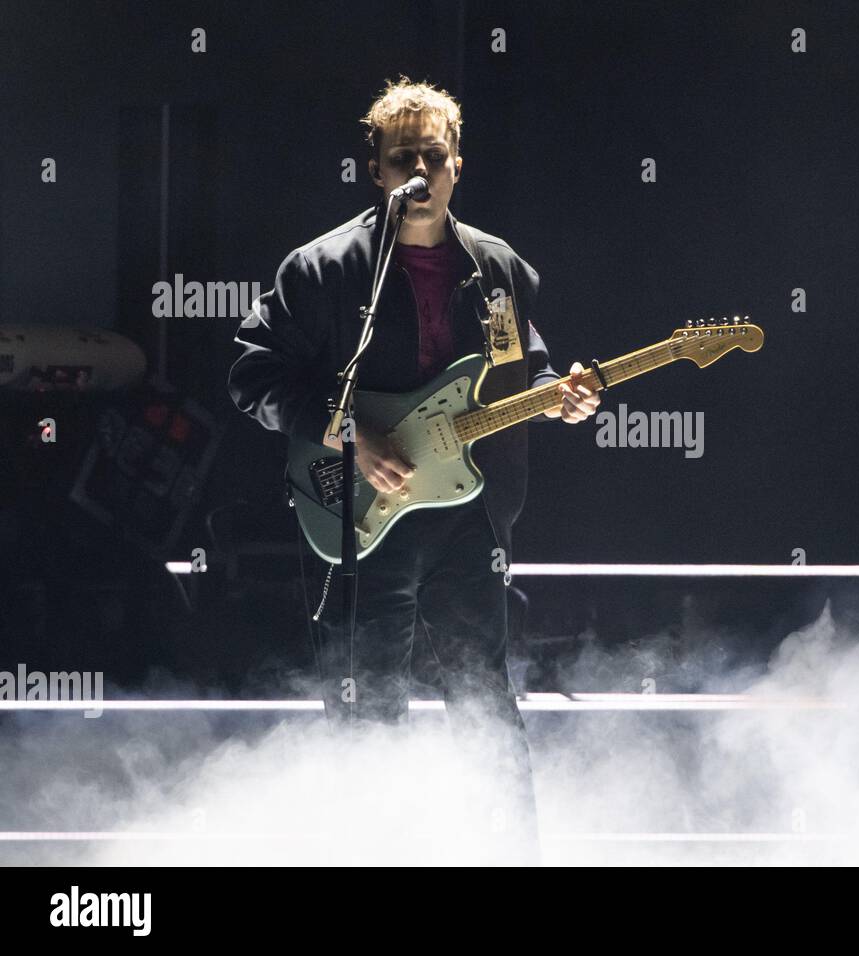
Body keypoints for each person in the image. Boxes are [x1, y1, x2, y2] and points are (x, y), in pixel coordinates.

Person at [227, 77, 600, 862]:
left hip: (468, 517)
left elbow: (516, 372)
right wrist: (350, 432)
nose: (421, 172)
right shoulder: (324, 270)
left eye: (435, 156)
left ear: (459, 165)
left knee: (484, 703)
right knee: (369, 708)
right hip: (362, 520)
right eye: (405, 159)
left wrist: (554, 397)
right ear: (378, 172)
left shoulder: (496, 269)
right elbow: (254, 379)